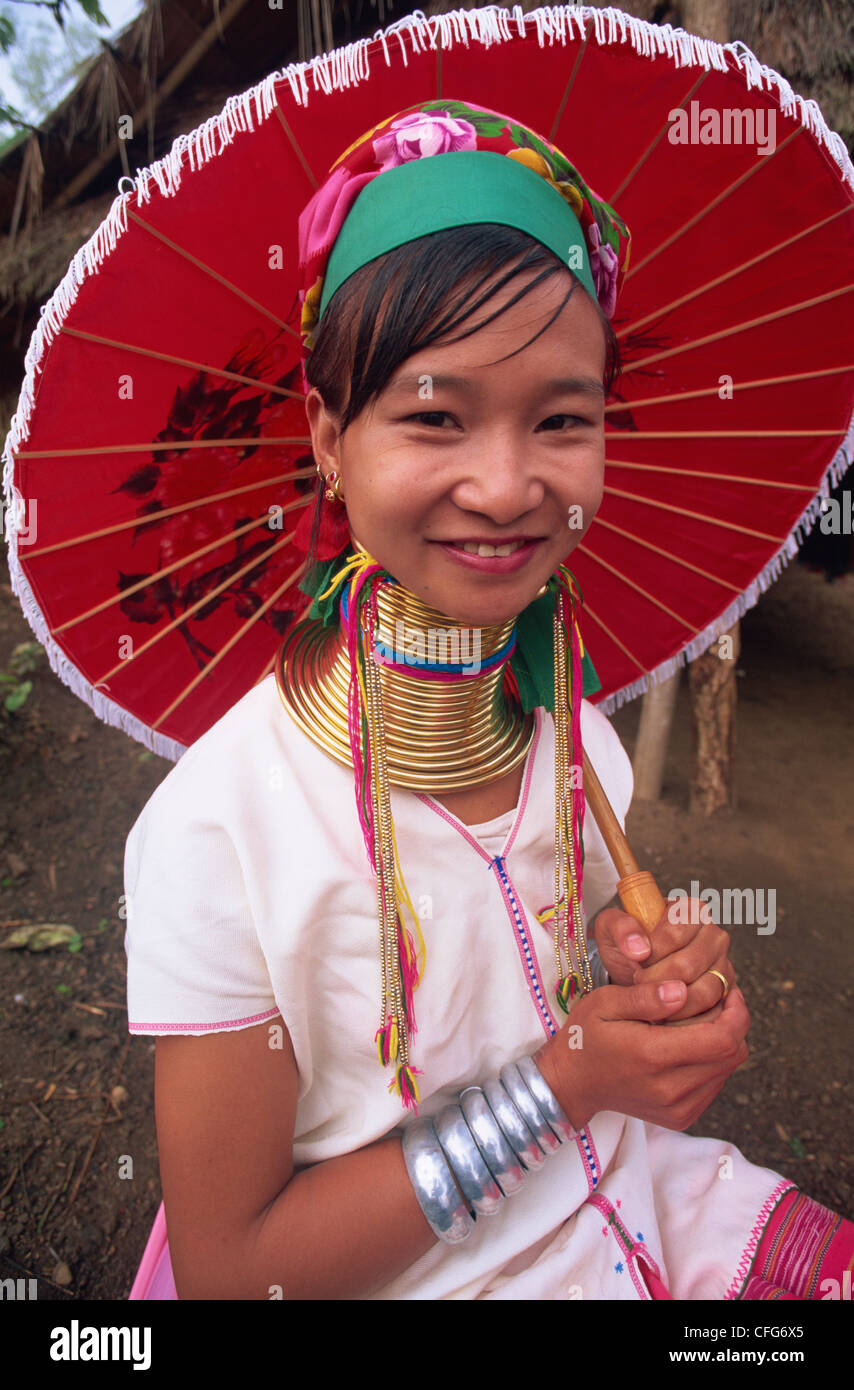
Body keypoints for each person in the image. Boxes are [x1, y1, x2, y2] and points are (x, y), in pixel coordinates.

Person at [124, 100, 852, 1301]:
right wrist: (565, 1079)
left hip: (627, 1197)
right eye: (431, 415)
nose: (508, 484)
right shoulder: (220, 838)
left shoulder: (576, 745)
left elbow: (560, 1005)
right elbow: (230, 1269)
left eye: (561, 419)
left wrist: (643, 990)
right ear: (326, 435)